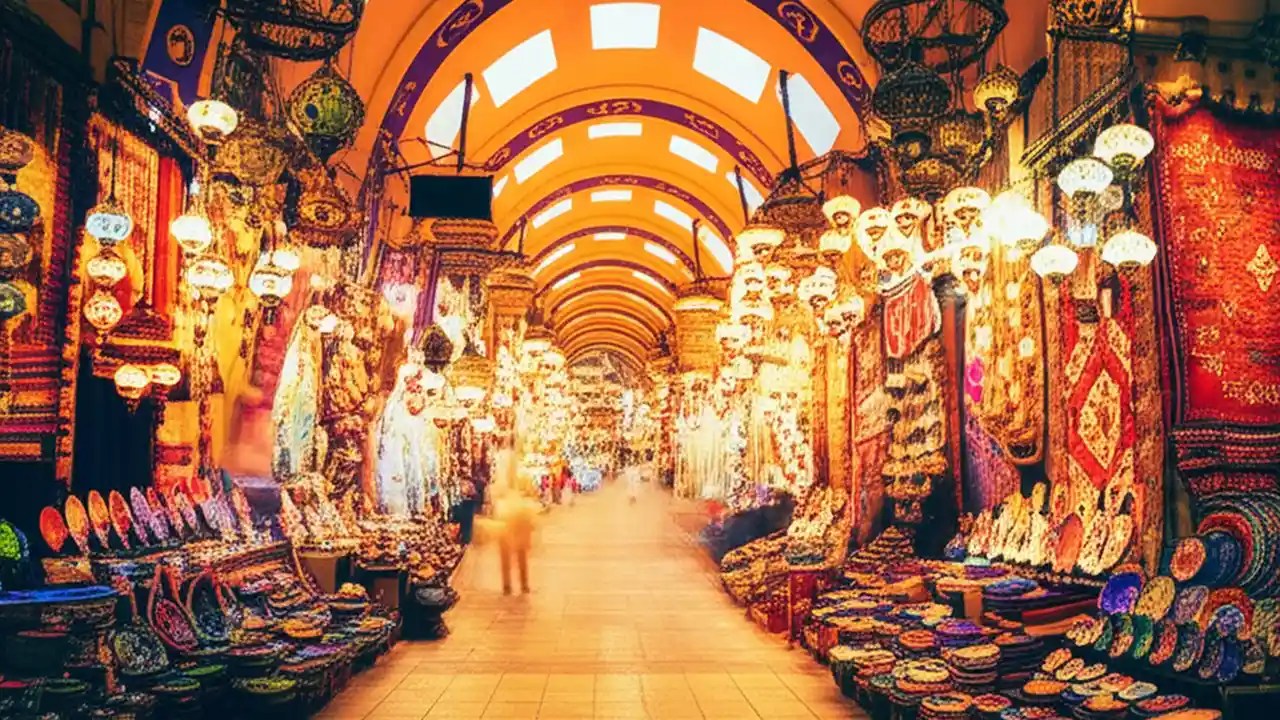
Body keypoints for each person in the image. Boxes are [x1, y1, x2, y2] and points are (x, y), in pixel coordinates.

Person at [491, 450, 535, 595]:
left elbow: (530, 495)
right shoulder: (505, 482)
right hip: (508, 519)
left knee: (518, 554)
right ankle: (513, 585)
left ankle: (517, 584)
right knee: (511, 555)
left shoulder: (521, 479)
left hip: (515, 519)